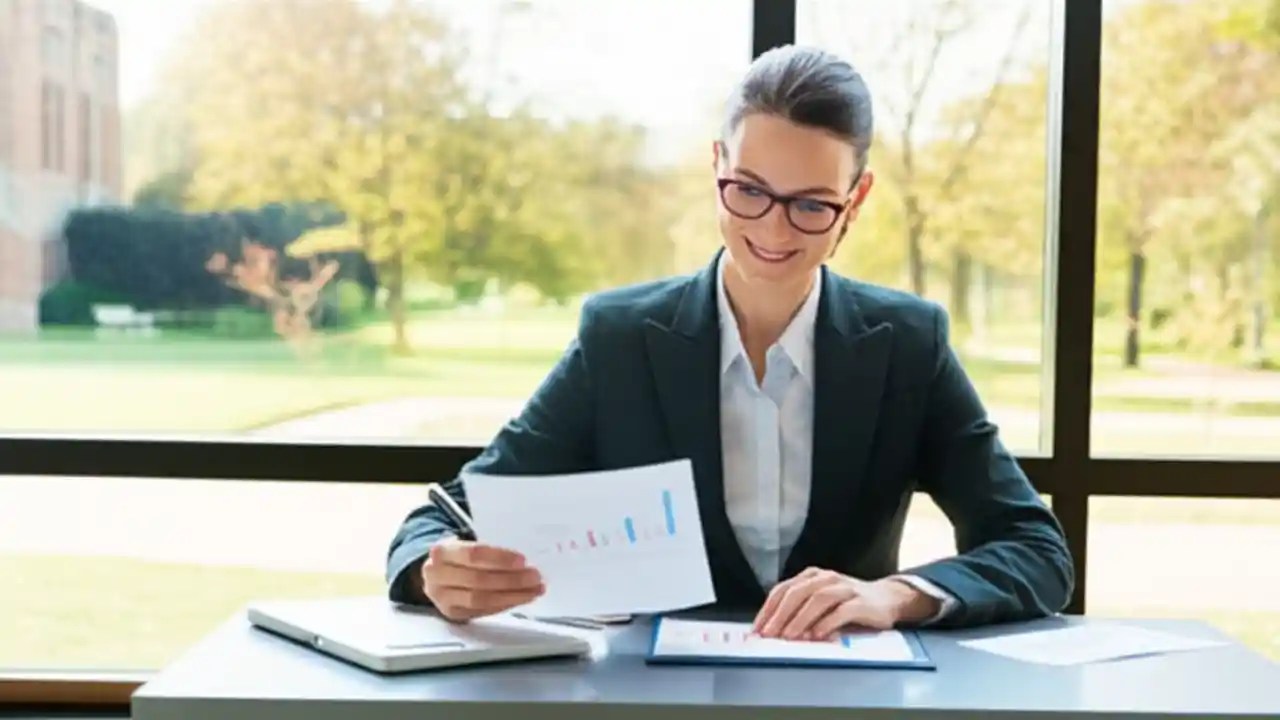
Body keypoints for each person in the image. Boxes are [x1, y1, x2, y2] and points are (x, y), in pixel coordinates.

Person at [386, 44, 1073, 640]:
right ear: (718, 165)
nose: (774, 231)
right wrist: (432, 570)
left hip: (842, 696)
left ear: (855, 201)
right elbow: (446, 515)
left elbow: (1035, 549)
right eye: (748, 190)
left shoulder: (906, 345)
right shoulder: (620, 339)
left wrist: (890, 597)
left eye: (811, 204)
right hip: (656, 699)